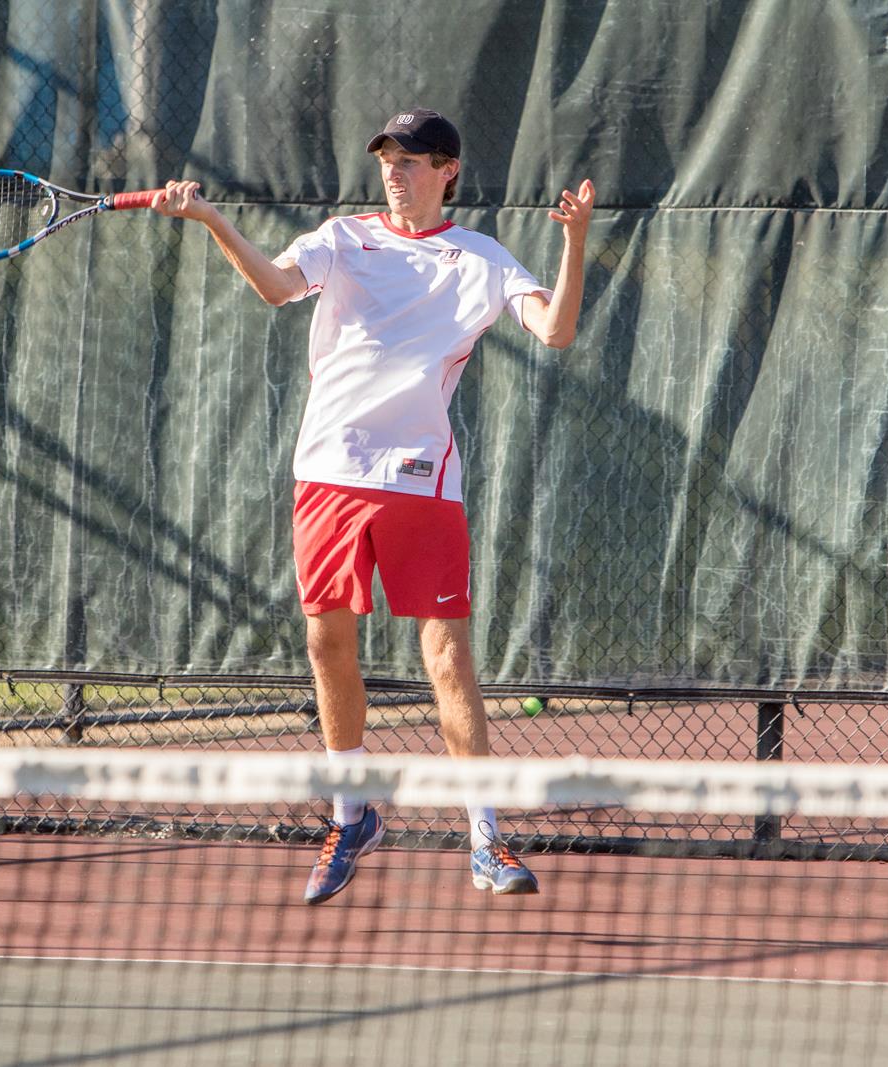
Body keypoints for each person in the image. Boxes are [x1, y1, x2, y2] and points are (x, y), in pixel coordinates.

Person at [152, 108, 594, 903]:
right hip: (328, 471)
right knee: (327, 644)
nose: (395, 169)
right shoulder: (342, 239)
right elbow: (277, 285)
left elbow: (556, 331)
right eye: (388, 156)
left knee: (447, 658)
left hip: (422, 479)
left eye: (414, 158)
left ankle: (488, 841)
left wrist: (574, 242)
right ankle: (351, 815)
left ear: (447, 170)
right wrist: (213, 219)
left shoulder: (480, 259)